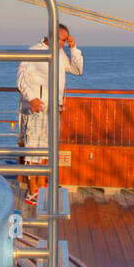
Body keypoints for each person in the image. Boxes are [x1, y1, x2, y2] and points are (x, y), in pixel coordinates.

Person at [15, 24, 84, 204]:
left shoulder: (60, 53)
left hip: (54, 108)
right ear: (50, 36)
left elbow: (78, 70)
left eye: (65, 39)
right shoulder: (33, 52)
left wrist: (73, 48)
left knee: (47, 149)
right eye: (62, 39)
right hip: (37, 108)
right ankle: (32, 191)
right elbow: (20, 79)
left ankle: (42, 186)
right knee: (33, 150)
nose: (63, 43)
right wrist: (31, 98)